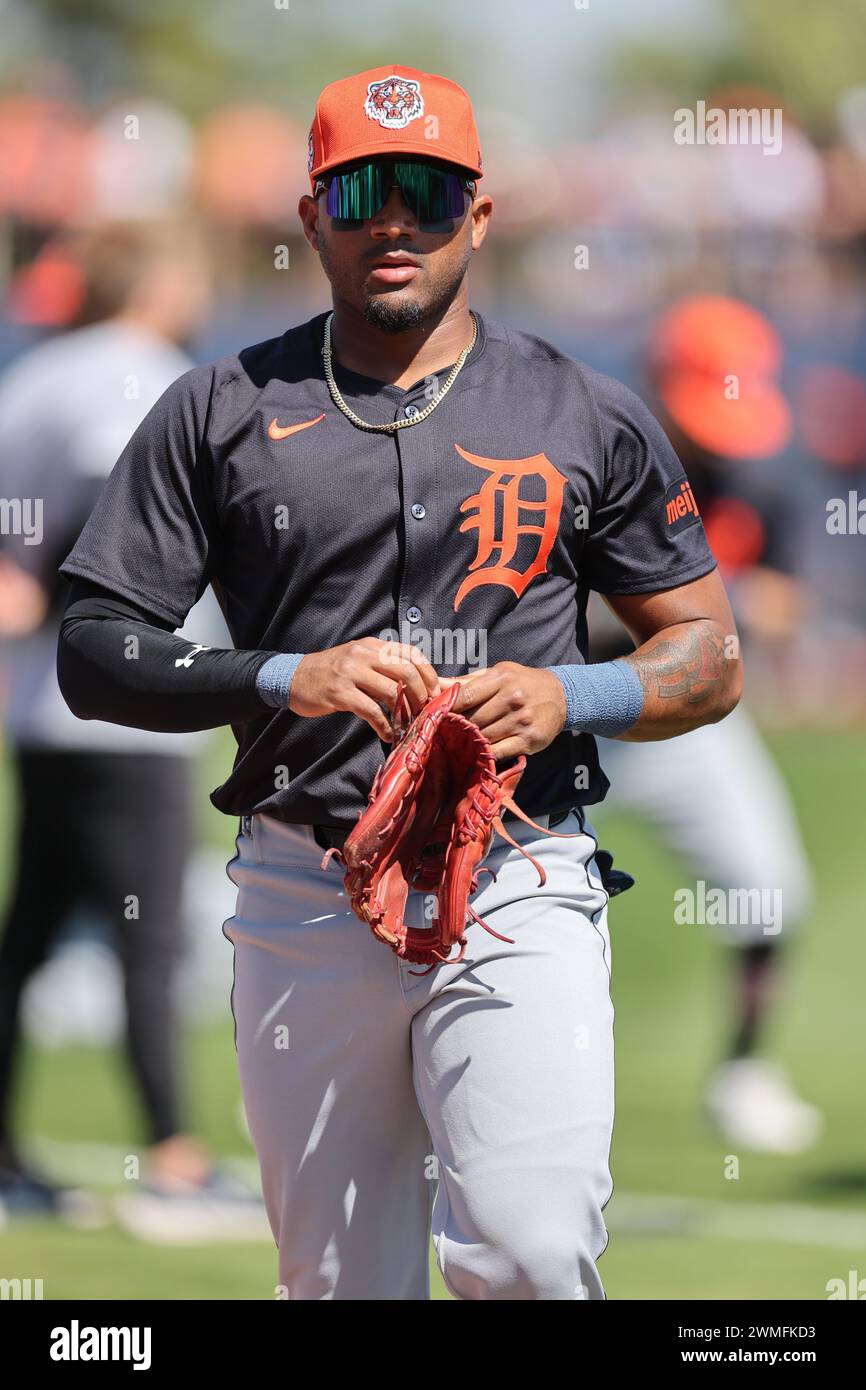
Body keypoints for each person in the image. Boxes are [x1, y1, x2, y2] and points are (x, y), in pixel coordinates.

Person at [56, 66, 741, 1300]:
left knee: (531, 1253)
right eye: (360, 192)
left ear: (477, 216)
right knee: (341, 1285)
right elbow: (96, 648)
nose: (392, 222)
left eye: (424, 193)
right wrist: (277, 674)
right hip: (303, 884)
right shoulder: (217, 408)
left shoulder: (581, 409)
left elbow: (709, 651)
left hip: (516, 871)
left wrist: (569, 694)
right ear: (311, 216)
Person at [0, 221, 262, 1233]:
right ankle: (174, 1161)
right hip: (127, 703)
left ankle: (12, 1154)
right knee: (146, 939)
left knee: (28, 939)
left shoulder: (35, 374)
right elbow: (117, 498)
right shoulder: (137, 373)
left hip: (41, 703)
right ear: (155, 279)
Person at [591, 295, 821, 1154]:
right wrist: (690, 615)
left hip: (693, 721)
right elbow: (561, 621)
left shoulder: (763, 471)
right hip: (579, 714)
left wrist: (725, 614)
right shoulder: (600, 463)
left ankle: (745, 1072)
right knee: (464, 887)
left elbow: (787, 602)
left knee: (771, 887)